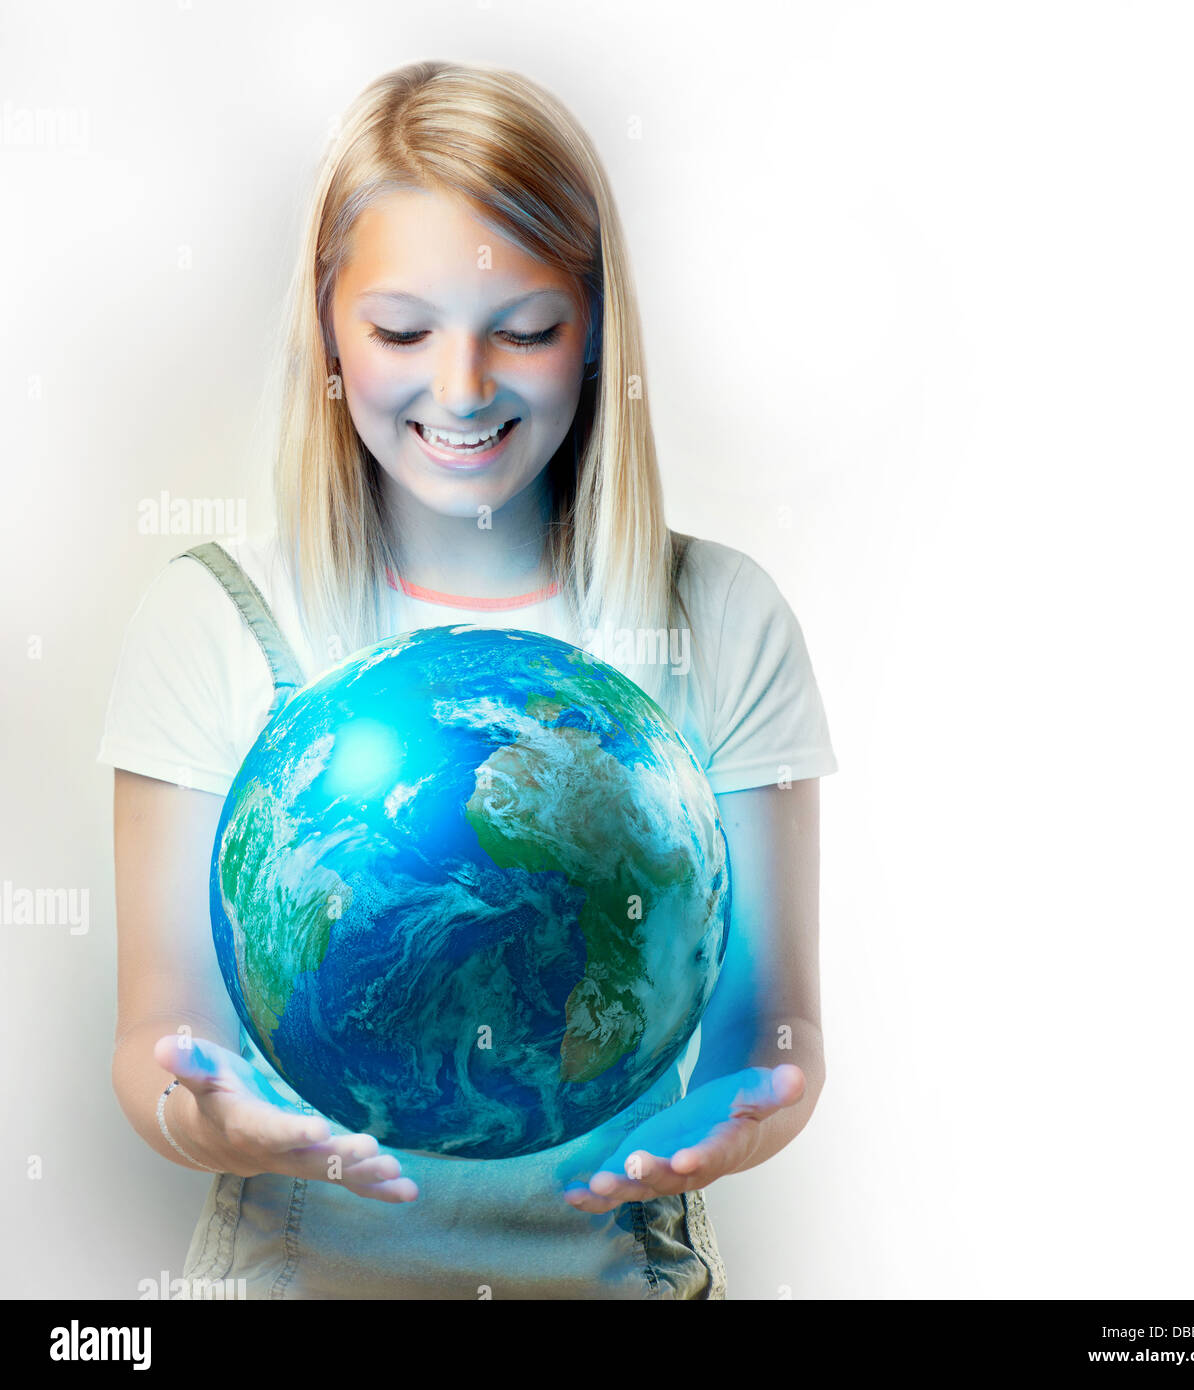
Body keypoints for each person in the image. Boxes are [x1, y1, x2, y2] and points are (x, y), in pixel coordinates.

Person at [99, 59, 838, 1300]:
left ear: (596, 327)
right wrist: (201, 1118)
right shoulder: (214, 620)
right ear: (326, 322)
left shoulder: (718, 618)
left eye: (525, 329)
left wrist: (751, 1110)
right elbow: (155, 1043)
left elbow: (774, 1031)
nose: (459, 387)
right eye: (401, 330)